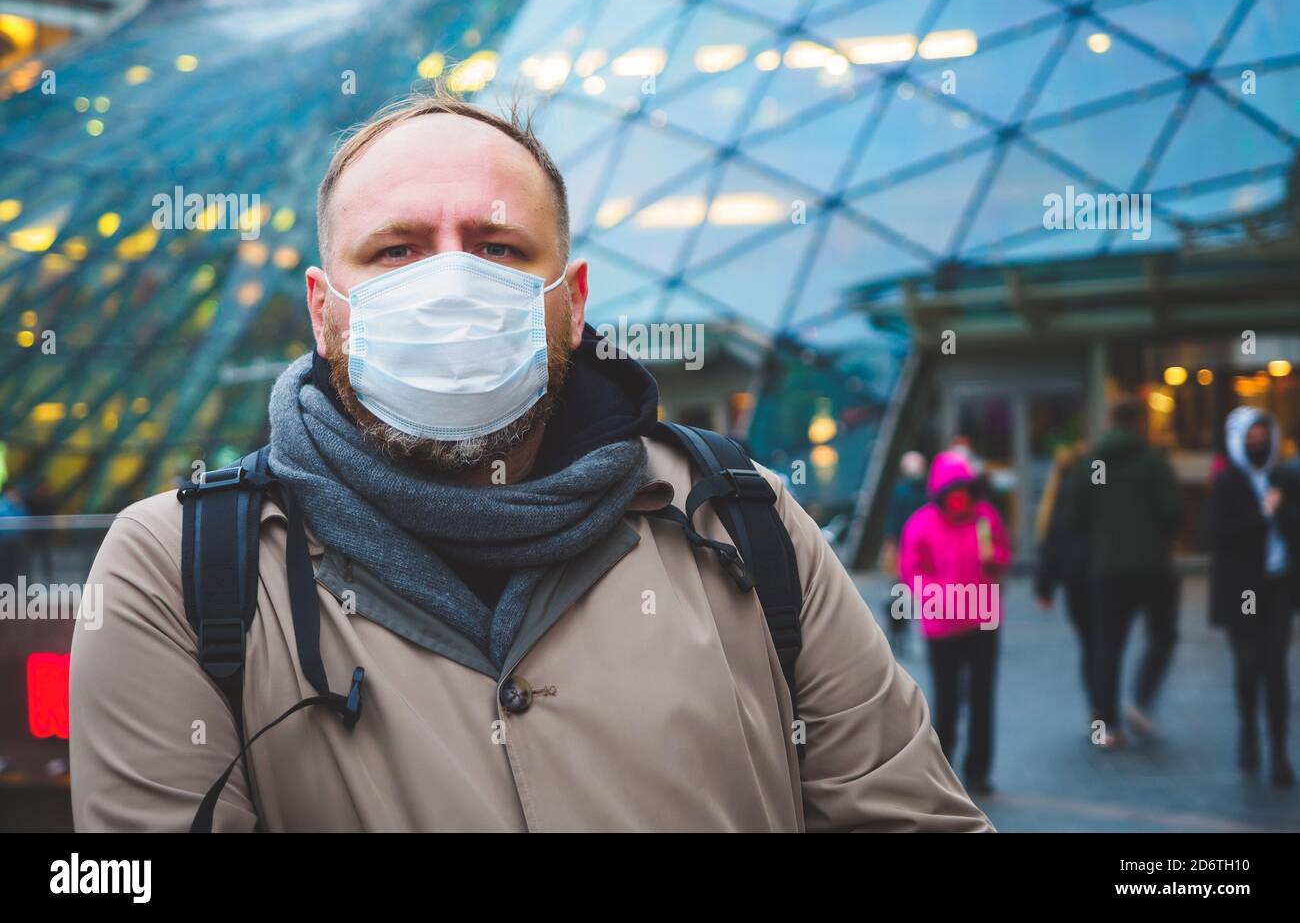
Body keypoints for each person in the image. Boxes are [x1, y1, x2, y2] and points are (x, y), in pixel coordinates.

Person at [69, 87, 991, 833]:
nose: (449, 280)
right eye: (395, 251)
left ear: (572, 299)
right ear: (323, 308)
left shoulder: (744, 525)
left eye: (498, 246)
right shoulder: (183, 571)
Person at [899, 451, 1011, 796]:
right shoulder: (921, 523)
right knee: (946, 701)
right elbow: (911, 572)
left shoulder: (985, 517)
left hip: (982, 623)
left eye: (963, 492)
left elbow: (1004, 553)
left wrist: (996, 560)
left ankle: (978, 771)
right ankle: (944, 771)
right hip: (943, 628)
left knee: (982, 698)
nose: (959, 500)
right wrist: (942, 596)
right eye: (953, 494)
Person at [1073, 398, 1181, 748]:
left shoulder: (1093, 463)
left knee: (1108, 648)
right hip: (1152, 568)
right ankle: (1140, 699)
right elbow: (1172, 514)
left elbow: (1079, 515)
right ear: (1139, 422)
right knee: (1162, 636)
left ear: (1109, 422)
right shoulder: (1153, 461)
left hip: (1107, 570)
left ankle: (1107, 727)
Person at [1207, 407, 1300, 787]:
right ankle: (1248, 732)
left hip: (1277, 586)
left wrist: (1281, 512)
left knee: (1276, 668)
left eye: (1264, 433)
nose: (1258, 441)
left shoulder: (1283, 477)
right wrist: (1262, 514)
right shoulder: (1228, 481)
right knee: (1249, 667)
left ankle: (1279, 752)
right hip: (1242, 590)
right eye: (1252, 435)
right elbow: (1218, 535)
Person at [1034, 441, 1095, 721]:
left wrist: (1045, 587)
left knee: (1092, 646)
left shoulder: (1061, 493)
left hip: (1077, 580)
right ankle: (1105, 711)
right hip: (1102, 576)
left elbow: (1053, 541)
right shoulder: (1097, 488)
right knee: (1104, 645)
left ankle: (1099, 710)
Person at [880, 450, 928, 654]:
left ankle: (898, 631)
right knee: (903, 592)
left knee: (900, 593)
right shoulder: (925, 492)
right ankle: (899, 630)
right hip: (912, 550)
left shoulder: (909, 491)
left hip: (910, 549)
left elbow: (892, 523)